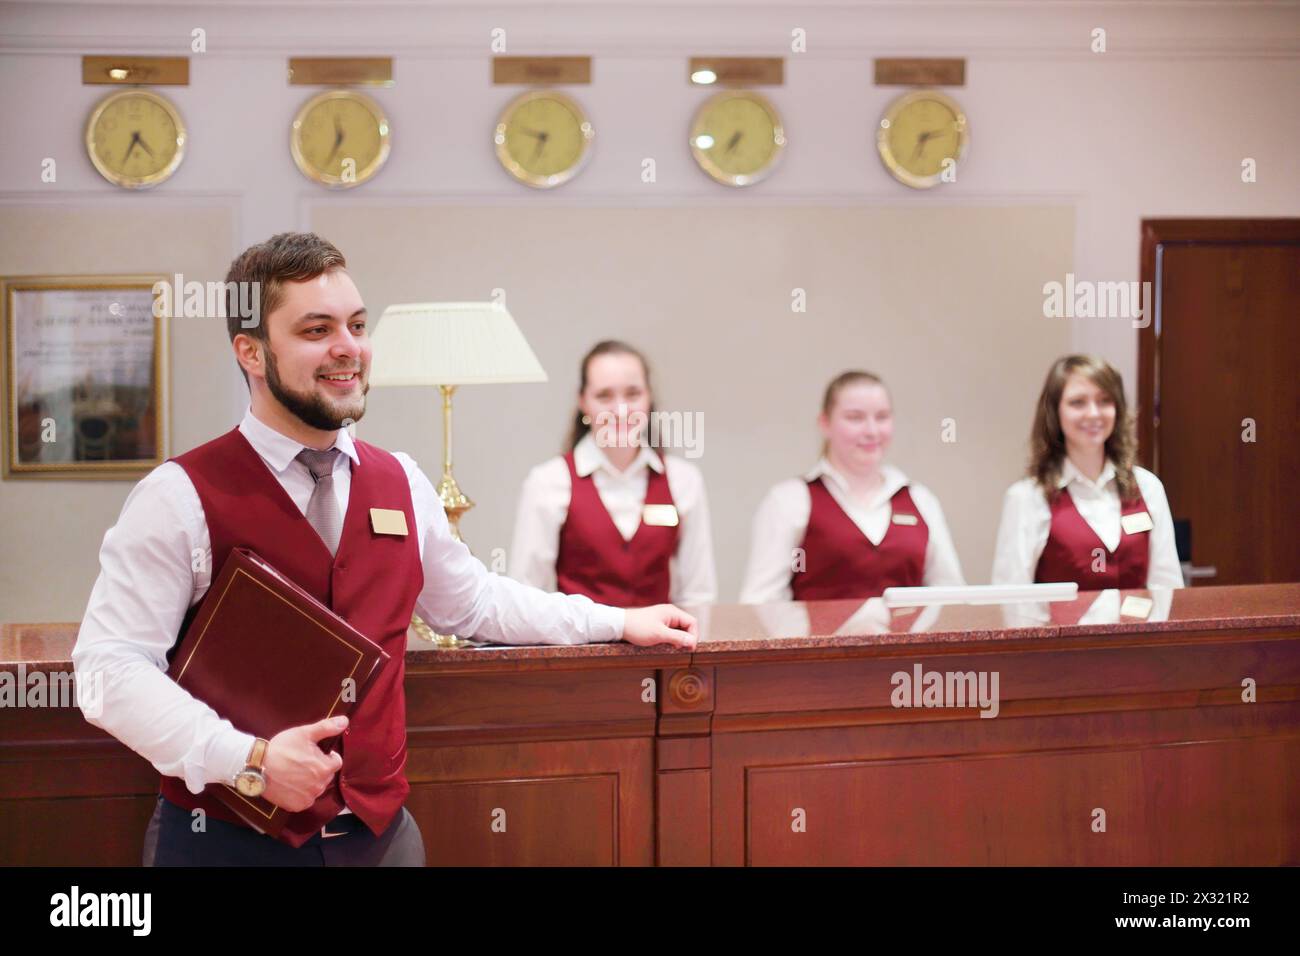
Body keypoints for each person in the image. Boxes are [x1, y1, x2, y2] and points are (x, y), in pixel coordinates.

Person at [72, 233, 697, 867]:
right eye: (317, 329)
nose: (349, 347)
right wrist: (249, 761)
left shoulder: (401, 479)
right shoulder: (178, 496)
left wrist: (617, 621)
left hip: (380, 843)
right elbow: (108, 670)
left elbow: (474, 603)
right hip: (223, 844)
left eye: (358, 325)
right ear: (252, 352)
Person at [508, 340, 716, 607]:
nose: (620, 411)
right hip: (580, 647)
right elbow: (526, 597)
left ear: (649, 397)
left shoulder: (684, 480)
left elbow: (698, 596)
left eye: (632, 394)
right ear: (582, 401)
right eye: (604, 396)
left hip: (664, 646)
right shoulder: (548, 482)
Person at [740, 369, 964, 605]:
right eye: (855, 417)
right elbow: (761, 604)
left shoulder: (920, 499)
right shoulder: (790, 500)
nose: (871, 431)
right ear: (825, 423)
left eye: (882, 417)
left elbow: (950, 597)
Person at [991, 354, 1183, 590]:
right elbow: (1011, 601)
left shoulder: (1148, 487)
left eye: (1104, 401)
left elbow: (1167, 588)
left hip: (1139, 627)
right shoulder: (1027, 497)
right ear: (1054, 412)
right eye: (1078, 402)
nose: (1093, 413)